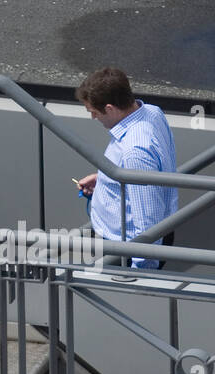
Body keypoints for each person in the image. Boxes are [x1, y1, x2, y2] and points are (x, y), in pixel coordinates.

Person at [73, 67, 178, 270]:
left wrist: (139, 273)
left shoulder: (135, 152)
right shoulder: (151, 112)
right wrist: (105, 178)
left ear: (110, 108)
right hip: (126, 241)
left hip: (124, 251)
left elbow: (148, 224)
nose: (93, 118)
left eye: (94, 112)